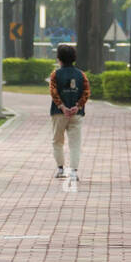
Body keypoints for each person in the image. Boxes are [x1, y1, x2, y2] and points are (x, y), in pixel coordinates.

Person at [49, 42, 90, 182]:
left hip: (58, 113)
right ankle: (73, 172)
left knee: (57, 141)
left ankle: (60, 169)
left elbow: (53, 92)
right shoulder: (81, 75)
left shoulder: (55, 74)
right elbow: (86, 92)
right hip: (76, 114)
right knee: (75, 143)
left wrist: (62, 107)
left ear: (59, 58)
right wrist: (77, 107)